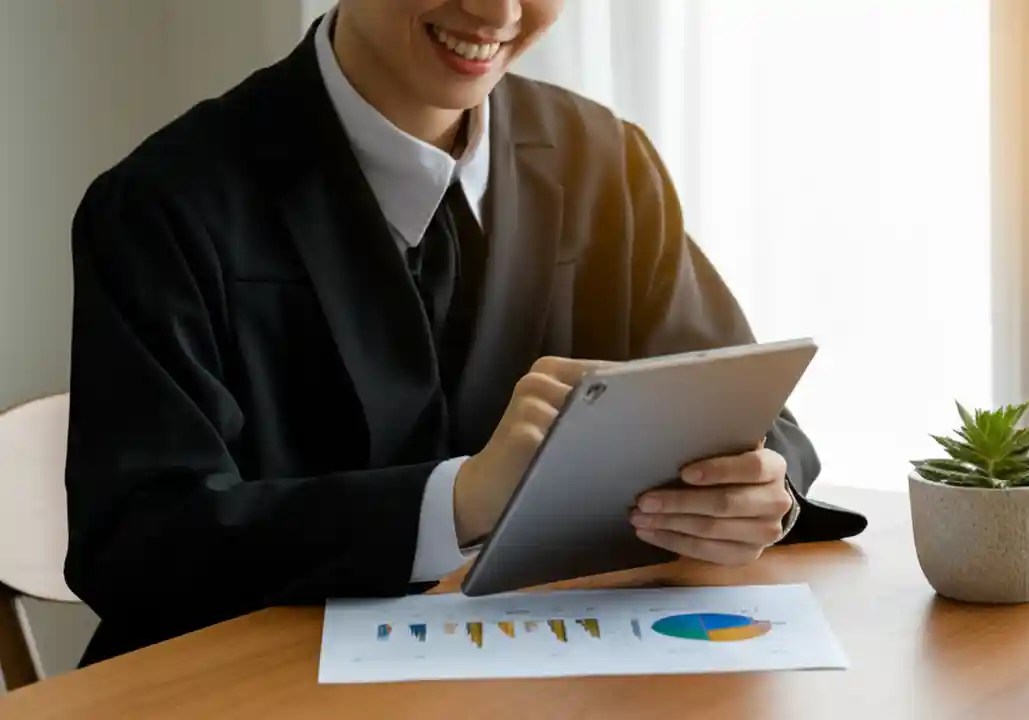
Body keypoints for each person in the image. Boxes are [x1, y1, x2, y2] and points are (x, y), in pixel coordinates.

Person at [64, 0, 866, 665]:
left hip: (546, 683)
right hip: (237, 689)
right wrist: (459, 501)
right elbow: (139, 545)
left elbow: (758, 419)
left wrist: (759, 489)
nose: (499, 11)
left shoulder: (606, 161)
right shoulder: (162, 206)